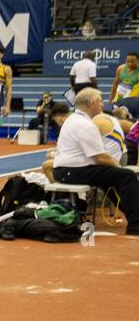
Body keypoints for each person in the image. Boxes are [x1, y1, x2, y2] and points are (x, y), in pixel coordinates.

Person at [50, 88, 139, 236]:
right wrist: (119, 167)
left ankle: (135, 216)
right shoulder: (85, 124)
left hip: (67, 170)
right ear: (92, 104)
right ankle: (136, 224)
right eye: (100, 101)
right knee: (126, 175)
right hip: (72, 171)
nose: (103, 105)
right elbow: (101, 157)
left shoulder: (74, 119)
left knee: (111, 179)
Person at [109, 51, 139, 118]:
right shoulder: (121, 68)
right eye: (127, 61)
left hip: (132, 102)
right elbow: (115, 85)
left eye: (132, 61)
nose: (129, 63)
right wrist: (111, 98)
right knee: (115, 119)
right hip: (118, 100)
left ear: (137, 61)